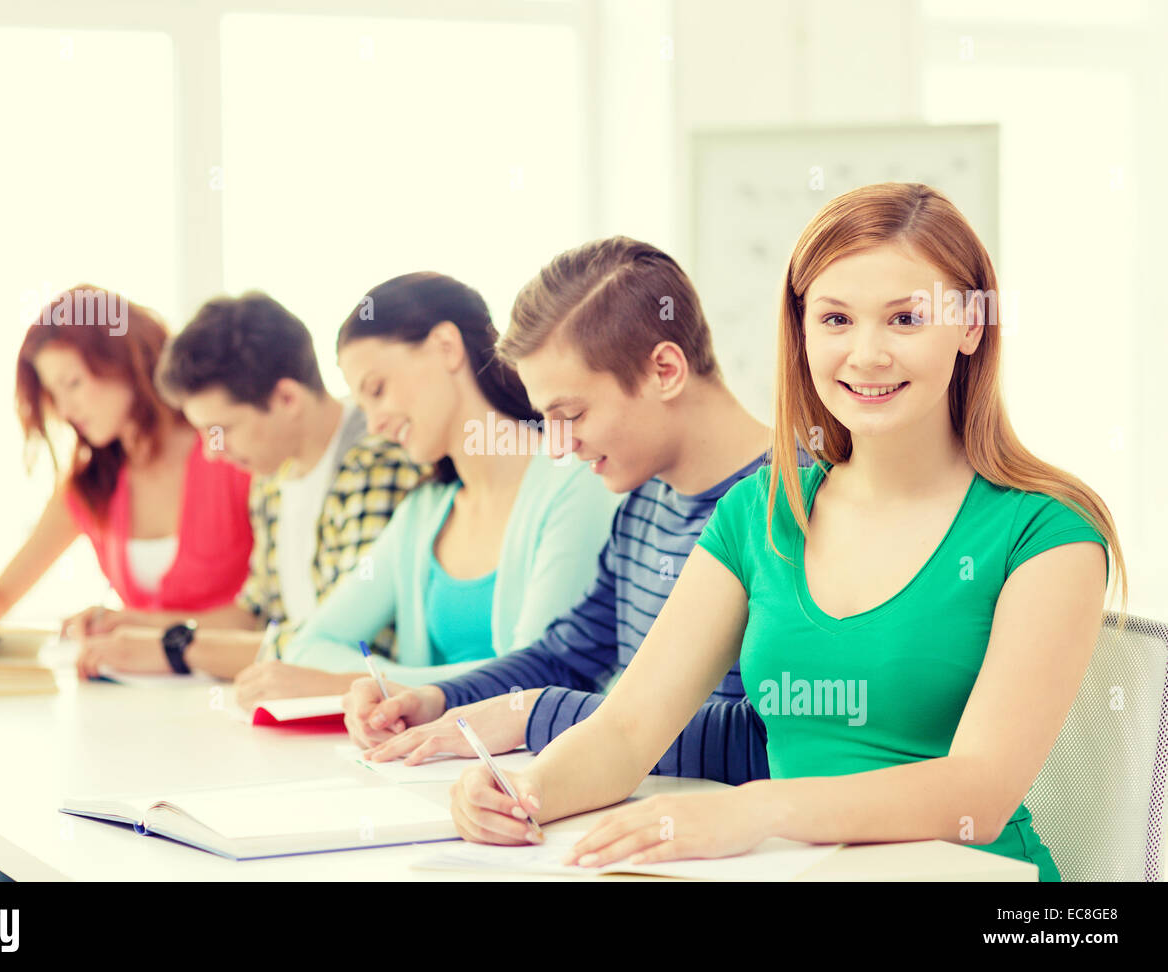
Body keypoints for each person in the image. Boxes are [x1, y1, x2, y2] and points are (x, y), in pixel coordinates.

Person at [448, 184, 1127, 883]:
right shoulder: (758, 514)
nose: (866, 354)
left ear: (970, 327)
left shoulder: (1049, 531)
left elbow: (978, 792)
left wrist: (757, 812)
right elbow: (626, 731)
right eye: (835, 319)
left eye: (905, 318)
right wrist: (525, 791)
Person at [344, 237, 813, 786]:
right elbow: (569, 654)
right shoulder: (644, 500)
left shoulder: (801, 506)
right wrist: (439, 698)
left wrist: (531, 715)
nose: (560, 446)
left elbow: (770, 737)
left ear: (664, 370)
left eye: (572, 414)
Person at [233, 271, 619, 706]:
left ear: (446, 347)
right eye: (363, 406)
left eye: (377, 389)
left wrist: (385, 688)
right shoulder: (423, 513)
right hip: (432, 766)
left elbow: (539, 676)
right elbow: (310, 645)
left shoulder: (577, 482)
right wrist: (396, 690)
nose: (375, 423)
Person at [71, 292, 428, 681]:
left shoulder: (376, 462)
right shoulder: (271, 479)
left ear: (287, 399)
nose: (210, 453)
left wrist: (175, 649)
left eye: (221, 431)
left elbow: (351, 649)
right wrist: (135, 624)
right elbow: (254, 615)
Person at [0, 285, 253, 634]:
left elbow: (265, 615)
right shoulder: (91, 485)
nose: (65, 409)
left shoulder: (229, 450)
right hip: (140, 687)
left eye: (73, 383)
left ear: (124, 360)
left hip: (242, 684)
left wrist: (137, 625)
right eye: (53, 394)